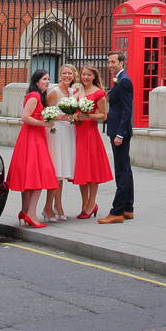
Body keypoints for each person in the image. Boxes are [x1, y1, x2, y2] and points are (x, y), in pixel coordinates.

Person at [6, 70, 57, 228]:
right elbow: (24, 117)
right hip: (33, 139)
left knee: (29, 175)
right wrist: (44, 123)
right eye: (44, 79)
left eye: (48, 79)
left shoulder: (36, 96)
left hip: (32, 138)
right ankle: (31, 214)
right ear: (36, 81)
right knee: (39, 175)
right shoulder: (35, 96)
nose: (47, 82)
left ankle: (25, 211)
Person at [97, 51, 134, 224]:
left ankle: (117, 211)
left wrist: (120, 134)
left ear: (121, 63)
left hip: (120, 132)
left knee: (121, 171)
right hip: (118, 130)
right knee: (126, 169)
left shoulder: (124, 81)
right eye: (109, 62)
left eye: (113, 62)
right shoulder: (120, 79)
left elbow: (127, 111)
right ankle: (128, 208)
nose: (110, 65)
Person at [72, 64, 113, 218]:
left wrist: (88, 116)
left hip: (90, 134)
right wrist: (75, 115)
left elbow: (103, 115)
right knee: (81, 171)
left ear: (94, 76)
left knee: (92, 171)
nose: (86, 77)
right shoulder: (77, 90)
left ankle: (91, 203)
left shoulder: (99, 93)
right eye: (83, 74)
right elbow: (72, 109)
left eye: (89, 75)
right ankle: (85, 203)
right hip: (78, 133)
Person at [42, 64, 81, 221]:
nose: (67, 76)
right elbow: (46, 114)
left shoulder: (73, 91)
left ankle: (58, 206)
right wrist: (63, 117)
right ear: (60, 75)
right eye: (64, 73)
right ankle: (48, 207)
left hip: (69, 131)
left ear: (73, 75)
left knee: (62, 172)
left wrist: (75, 116)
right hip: (57, 132)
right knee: (56, 170)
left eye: (69, 73)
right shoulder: (54, 92)